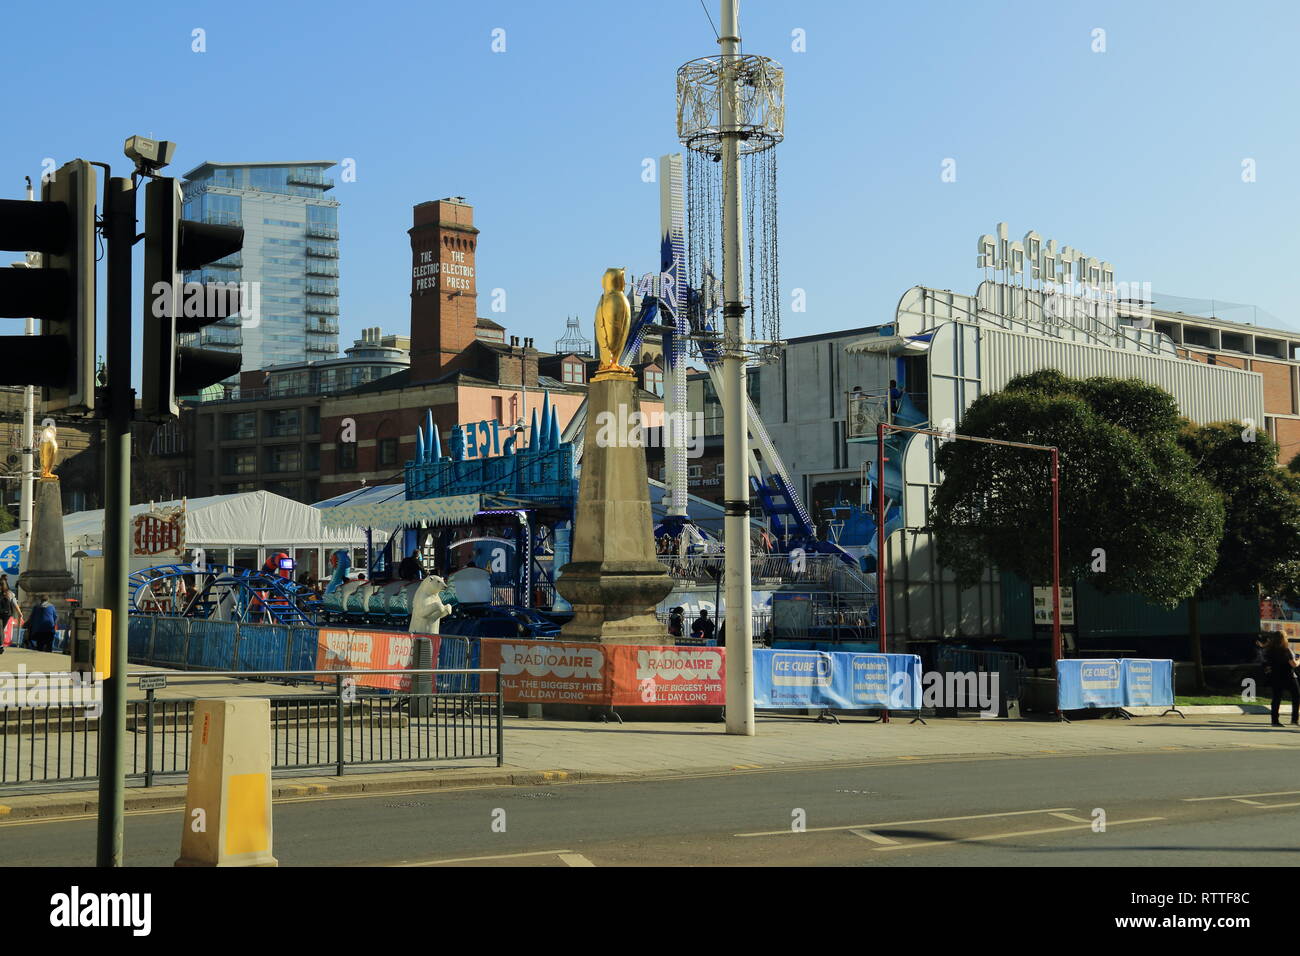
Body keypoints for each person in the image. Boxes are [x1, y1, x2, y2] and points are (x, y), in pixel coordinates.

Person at [1262, 631, 1299, 726]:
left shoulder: (1269, 650)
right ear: (1283, 639)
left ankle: (1274, 720)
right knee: (1296, 697)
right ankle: (1294, 719)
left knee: (1276, 698)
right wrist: (1299, 660)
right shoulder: (1286, 650)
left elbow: (1266, 665)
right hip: (1289, 676)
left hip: (1275, 676)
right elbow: (1293, 664)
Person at [0, 577, 20, 651]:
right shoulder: (10, 593)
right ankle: (1, 645)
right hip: (7, 613)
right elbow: (14, 604)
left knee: (0, 629)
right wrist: (20, 613)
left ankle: (1, 646)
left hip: (2, 613)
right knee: (1, 628)